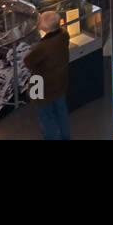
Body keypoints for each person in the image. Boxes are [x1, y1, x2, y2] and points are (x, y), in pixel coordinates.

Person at [23, 11, 71, 140]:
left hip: (44, 87)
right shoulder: (64, 35)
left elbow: (28, 62)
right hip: (60, 83)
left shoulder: (43, 47)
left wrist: (30, 53)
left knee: (46, 116)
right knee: (61, 112)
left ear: (45, 27)